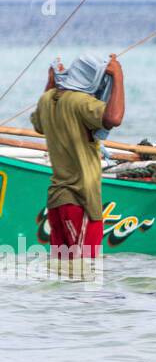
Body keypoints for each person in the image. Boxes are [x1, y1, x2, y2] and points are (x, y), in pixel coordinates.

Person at [31, 52, 125, 272]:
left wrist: (52, 83)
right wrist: (119, 77)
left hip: (56, 201)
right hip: (80, 200)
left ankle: (66, 308)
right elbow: (114, 118)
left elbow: (38, 125)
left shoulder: (48, 99)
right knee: (86, 270)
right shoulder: (81, 103)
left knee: (64, 270)